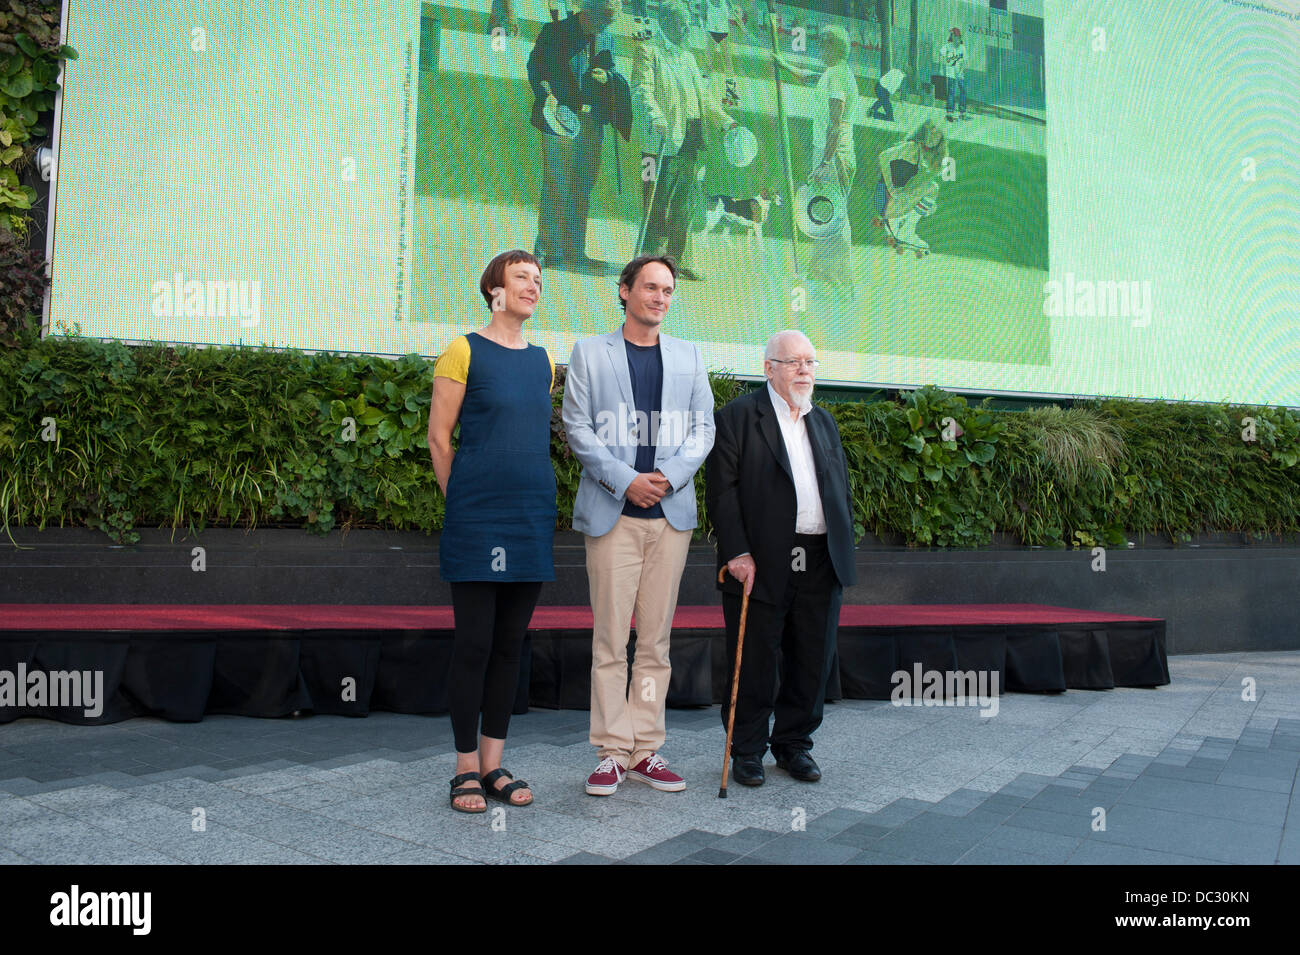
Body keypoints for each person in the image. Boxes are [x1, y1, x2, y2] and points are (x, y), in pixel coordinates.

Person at [561, 255, 716, 796]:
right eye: (649, 287)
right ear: (623, 290)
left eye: (668, 289)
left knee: (655, 643)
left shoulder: (690, 356)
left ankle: (645, 748)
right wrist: (626, 479)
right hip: (613, 515)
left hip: (669, 519)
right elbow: (577, 428)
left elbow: (703, 431)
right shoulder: (588, 352)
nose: (660, 297)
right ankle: (610, 751)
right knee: (610, 641)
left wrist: (668, 478)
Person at [428, 250, 557, 813]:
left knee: (509, 646)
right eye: (520, 278)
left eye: (536, 279)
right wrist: (464, 505)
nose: (532, 286)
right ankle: (462, 770)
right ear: (494, 291)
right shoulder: (462, 350)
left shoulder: (544, 361)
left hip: (530, 515)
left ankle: (493, 764)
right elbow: (439, 439)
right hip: (478, 517)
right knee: (475, 643)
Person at [705, 330, 856, 786]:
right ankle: (747, 750)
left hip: (820, 557)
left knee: (812, 658)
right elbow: (722, 492)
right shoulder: (737, 418)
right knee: (753, 659)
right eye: (793, 362)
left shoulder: (823, 421)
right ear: (769, 368)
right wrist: (737, 552)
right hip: (761, 560)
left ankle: (794, 746)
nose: (804, 370)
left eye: (810, 362)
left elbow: (839, 488)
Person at [632, 0, 739, 280]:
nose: (689, 27)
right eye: (683, 22)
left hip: (689, 136)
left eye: (689, 22)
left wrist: (726, 120)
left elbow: (704, 98)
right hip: (656, 142)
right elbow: (642, 89)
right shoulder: (648, 50)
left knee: (684, 202)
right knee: (655, 200)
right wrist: (655, 117)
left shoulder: (688, 57)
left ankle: (676, 261)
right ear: (666, 21)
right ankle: (648, 262)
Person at [527, 0, 621, 275]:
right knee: (558, 183)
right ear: (587, 10)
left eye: (610, 20)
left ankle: (573, 249)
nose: (606, 25)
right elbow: (535, 68)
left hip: (592, 121)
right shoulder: (555, 32)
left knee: (583, 184)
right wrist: (547, 98)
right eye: (604, 18)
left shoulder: (606, 37)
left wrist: (608, 77)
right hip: (560, 116)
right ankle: (547, 249)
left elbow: (612, 71)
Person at [772, 25, 859, 292]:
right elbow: (811, 76)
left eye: (823, 44)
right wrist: (784, 65)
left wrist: (824, 162)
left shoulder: (837, 77)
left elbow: (835, 124)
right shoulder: (835, 73)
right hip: (831, 153)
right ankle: (825, 274)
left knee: (834, 216)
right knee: (826, 214)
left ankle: (843, 279)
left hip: (833, 156)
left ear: (834, 46)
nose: (819, 49)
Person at [872, 118, 948, 254]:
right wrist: (891, 189)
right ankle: (905, 229)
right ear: (923, 132)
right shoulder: (911, 147)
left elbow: (911, 188)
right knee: (932, 188)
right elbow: (883, 156)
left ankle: (900, 226)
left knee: (930, 194)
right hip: (885, 198)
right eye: (930, 133)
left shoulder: (919, 153)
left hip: (892, 200)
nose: (933, 139)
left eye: (937, 137)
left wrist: (925, 205)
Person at [940, 26, 968, 122]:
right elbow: (941, 54)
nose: (956, 39)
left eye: (957, 37)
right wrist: (941, 68)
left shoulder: (962, 48)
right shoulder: (948, 46)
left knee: (963, 91)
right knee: (951, 92)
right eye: (954, 37)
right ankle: (950, 112)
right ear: (952, 37)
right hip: (950, 72)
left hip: (959, 73)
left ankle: (962, 112)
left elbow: (965, 61)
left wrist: (963, 70)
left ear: (960, 38)